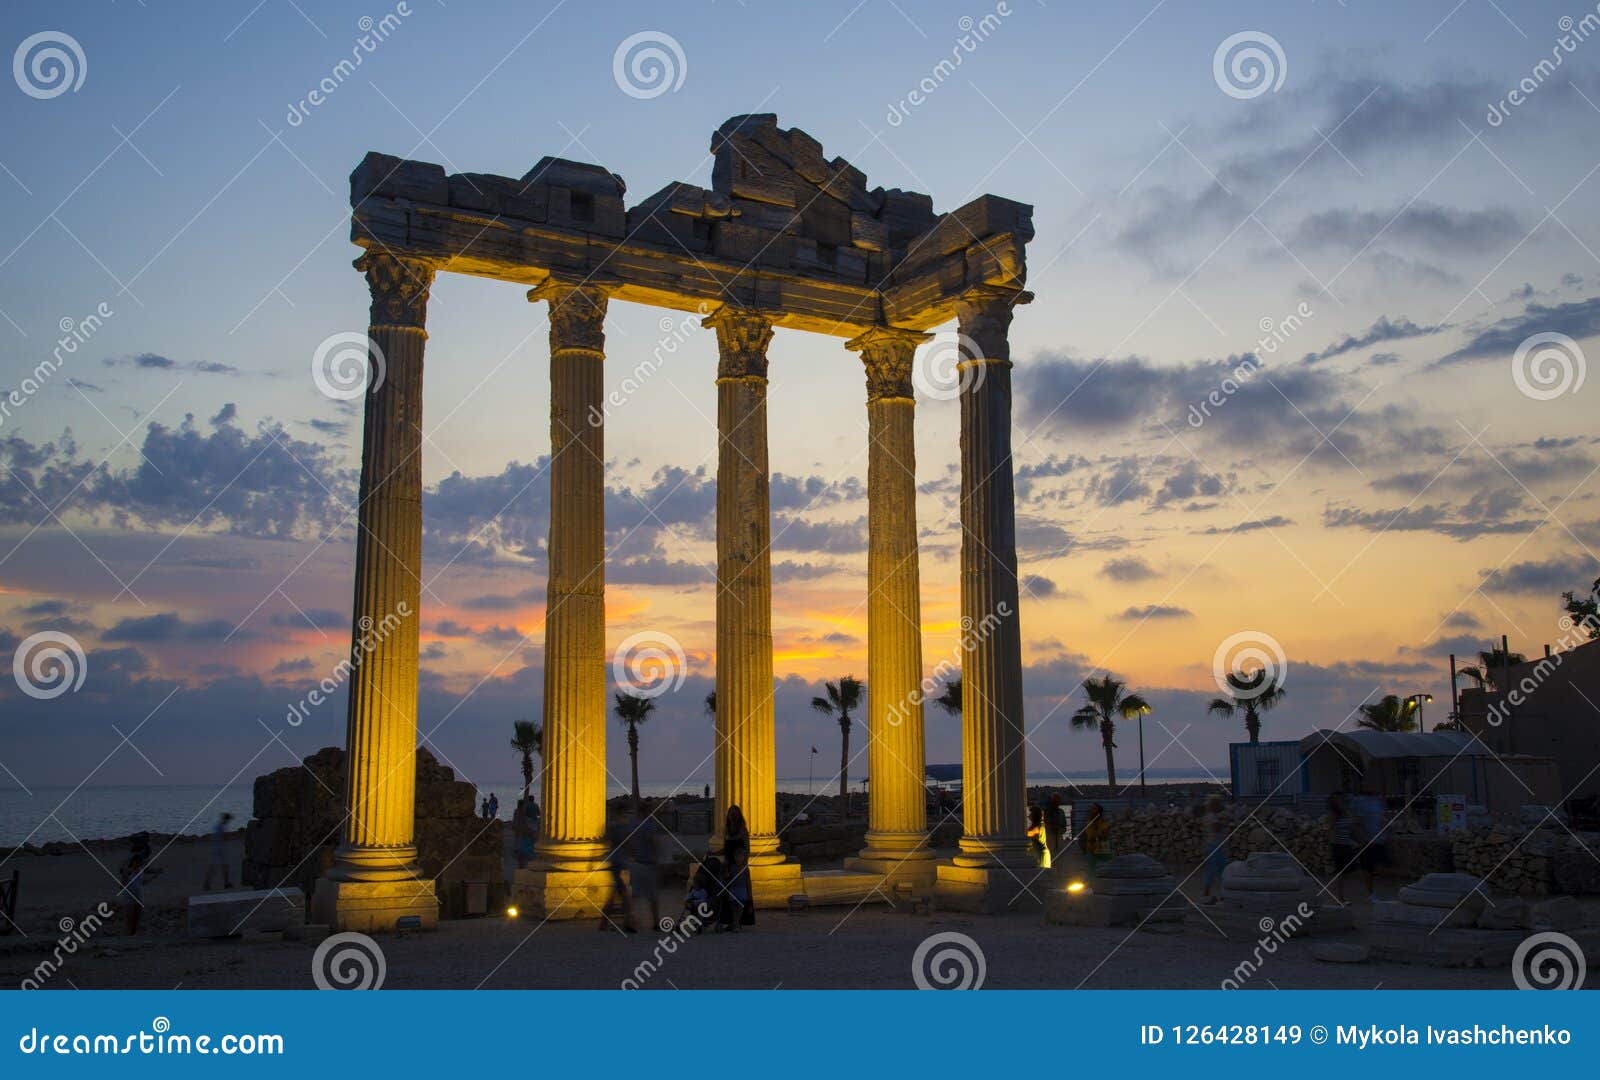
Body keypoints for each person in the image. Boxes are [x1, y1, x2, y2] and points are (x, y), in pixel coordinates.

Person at [631, 801, 666, 929]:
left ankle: (631, 920)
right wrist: (658, 858)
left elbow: (630, 843)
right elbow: (654, 842)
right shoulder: (650, 825)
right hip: (649, 864)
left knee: (635, 895)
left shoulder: (634, 825)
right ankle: (656, 922)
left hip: (637, 863)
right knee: (652, 896)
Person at [719, 804, 754, 931]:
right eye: (731, 813)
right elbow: (725, 848)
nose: (732, 815)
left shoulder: (743, 830)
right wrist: (714, 853)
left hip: (739, 866)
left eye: (735, 813)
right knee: (728, 896)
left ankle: (737, 922)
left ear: (739, 815)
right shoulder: (727, 830)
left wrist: (743, 865)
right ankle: (730, 921)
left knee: (740, 895)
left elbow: (747, 849)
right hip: (728, 866)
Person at [600, 814, 637, 933]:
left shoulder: (613, 827)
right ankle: (628, 921)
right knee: (621, 892)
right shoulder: (624, 828)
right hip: (620, 861)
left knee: (618, 891)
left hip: (615, 861)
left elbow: (605, 841)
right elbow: (629, 845)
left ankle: (605, 922)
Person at [1352, 782, 1388, 901]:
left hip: (1379, 839)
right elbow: (1358, 821)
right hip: (1368, 840)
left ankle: (1376, 890)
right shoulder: (1360, 801)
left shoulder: (1377, 800)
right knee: (1368, 868)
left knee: (1380, 866)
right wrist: (1362, 838)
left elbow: (1381, 817)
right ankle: (1371, 893)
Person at [1327, 792, 1356, 903]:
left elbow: (1351, 829)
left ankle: (1337, 892)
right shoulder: (1334, 815)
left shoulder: (1346, 813)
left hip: (1347, 845)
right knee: (1341, 872)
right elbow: (1332, 831)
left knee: (1346, 872)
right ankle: (1340, 897)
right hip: (1339, 846)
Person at [1198, 796, 1227, 903]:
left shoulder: (1211, 816)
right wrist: (1224, 821)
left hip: (1215, 845)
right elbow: (1216, 828)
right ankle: (1208, 891)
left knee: (1218, 869)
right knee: (1215, 869)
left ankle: (1216, 891)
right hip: (1214, 846)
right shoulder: (1211, 817)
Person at [684, 857, 720, 932]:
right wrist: (687, 899)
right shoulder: (694, 890)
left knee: (702, 908)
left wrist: (693, 902)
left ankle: (700, 923)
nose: (694, 884)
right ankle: (699, 923)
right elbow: (690, 895)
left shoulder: (703, 891)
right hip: (696, 903)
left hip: (702, 904)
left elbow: (704, 899)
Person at [203, 812, 233, 891]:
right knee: (218, 867)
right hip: (220, 850)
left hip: (216, 848)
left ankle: (209, 883)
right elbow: (224, 838)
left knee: (218, 867)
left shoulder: (218, 826)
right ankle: (208, 884)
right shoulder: (221, 827)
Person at [1080, 803, 1111, 878]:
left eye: (1094, 809)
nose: (1091, 811)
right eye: (1092, 809)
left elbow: (1105, 834)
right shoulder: (1089, 822)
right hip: (1091, 848)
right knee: (1091, 868)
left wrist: (1097, 837)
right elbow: (1086, 833)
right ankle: (1092, 883)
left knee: (1104, 868)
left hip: (1102, 849)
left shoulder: (1103, 822)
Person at [1045, 795, 1067, 866]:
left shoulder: (1061, 812)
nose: (1057, 802)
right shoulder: (1048, 811)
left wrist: (1061, 829)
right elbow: (1047, 823)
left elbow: (1064, 824)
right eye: (1055, 800)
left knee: (1060, 854)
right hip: (1051, 836)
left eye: (1058, 800)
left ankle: (1059, 869)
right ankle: (1053, 869)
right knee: (1052, 854)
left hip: (1059, 836)